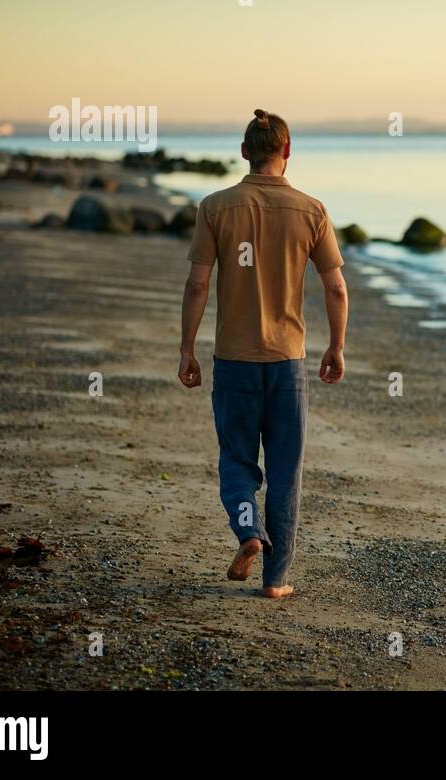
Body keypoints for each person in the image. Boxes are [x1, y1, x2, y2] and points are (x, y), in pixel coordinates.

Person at [176, 109, 348, 598]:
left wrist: (187, 348)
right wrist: (336, 345)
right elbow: (336, 288)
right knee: (285, 470)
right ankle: (276, 581)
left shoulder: (215, 207)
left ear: (245, 152)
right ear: (288, 153)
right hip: (287, 361)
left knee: (236, 460)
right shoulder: (311, 211)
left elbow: (196, 284)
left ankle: (249, 532)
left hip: (233, 359)